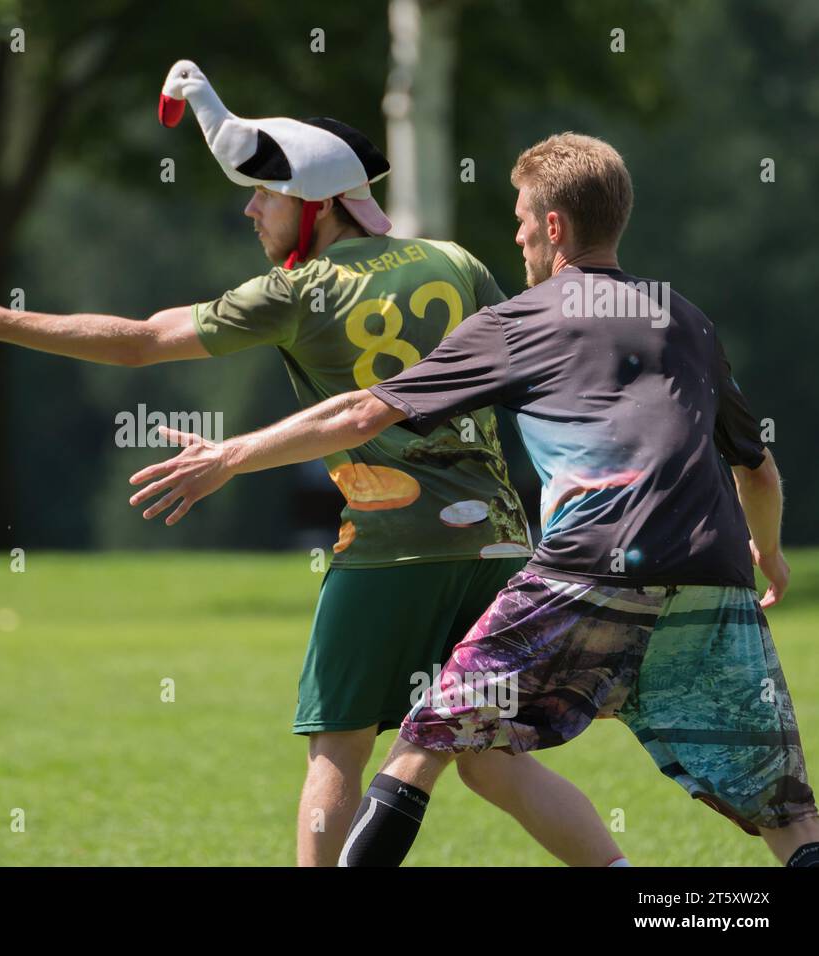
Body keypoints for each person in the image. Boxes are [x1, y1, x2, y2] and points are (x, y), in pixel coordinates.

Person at [0, 64, 625, 866]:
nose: (250, 209)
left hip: (390, 548)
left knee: (336, 750)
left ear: (313, 206)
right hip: (495, 547)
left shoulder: (301, 291)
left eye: (264, 196)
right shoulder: (455, 258)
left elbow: (140, 341)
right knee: (493, 762)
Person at [127, 132, 819, 867]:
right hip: (714, 574)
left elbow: (361, 414)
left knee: (422, 743)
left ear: (554, 228)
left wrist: (231, 455)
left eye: (522, 219)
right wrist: (767, 553)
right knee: (786, 814)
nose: (516, 235)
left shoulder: (523, 319)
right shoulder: (682, 315)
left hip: (587, 567)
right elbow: (759, 472)